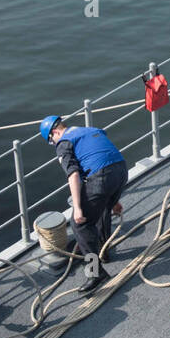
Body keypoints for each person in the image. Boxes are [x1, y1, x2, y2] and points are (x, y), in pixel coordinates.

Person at [40, 115, 128, 294]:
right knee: (103, 208)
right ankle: (103, 251)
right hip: (121, 171)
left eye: (52, 141)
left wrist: (78, 208)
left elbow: (73, 175)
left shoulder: (63, 143)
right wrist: (114, 201)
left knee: (80, 224)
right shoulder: (89, 130)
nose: (54, 144)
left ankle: (94, 273)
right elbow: (103, 156)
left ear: (55, 132)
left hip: (101, 176)